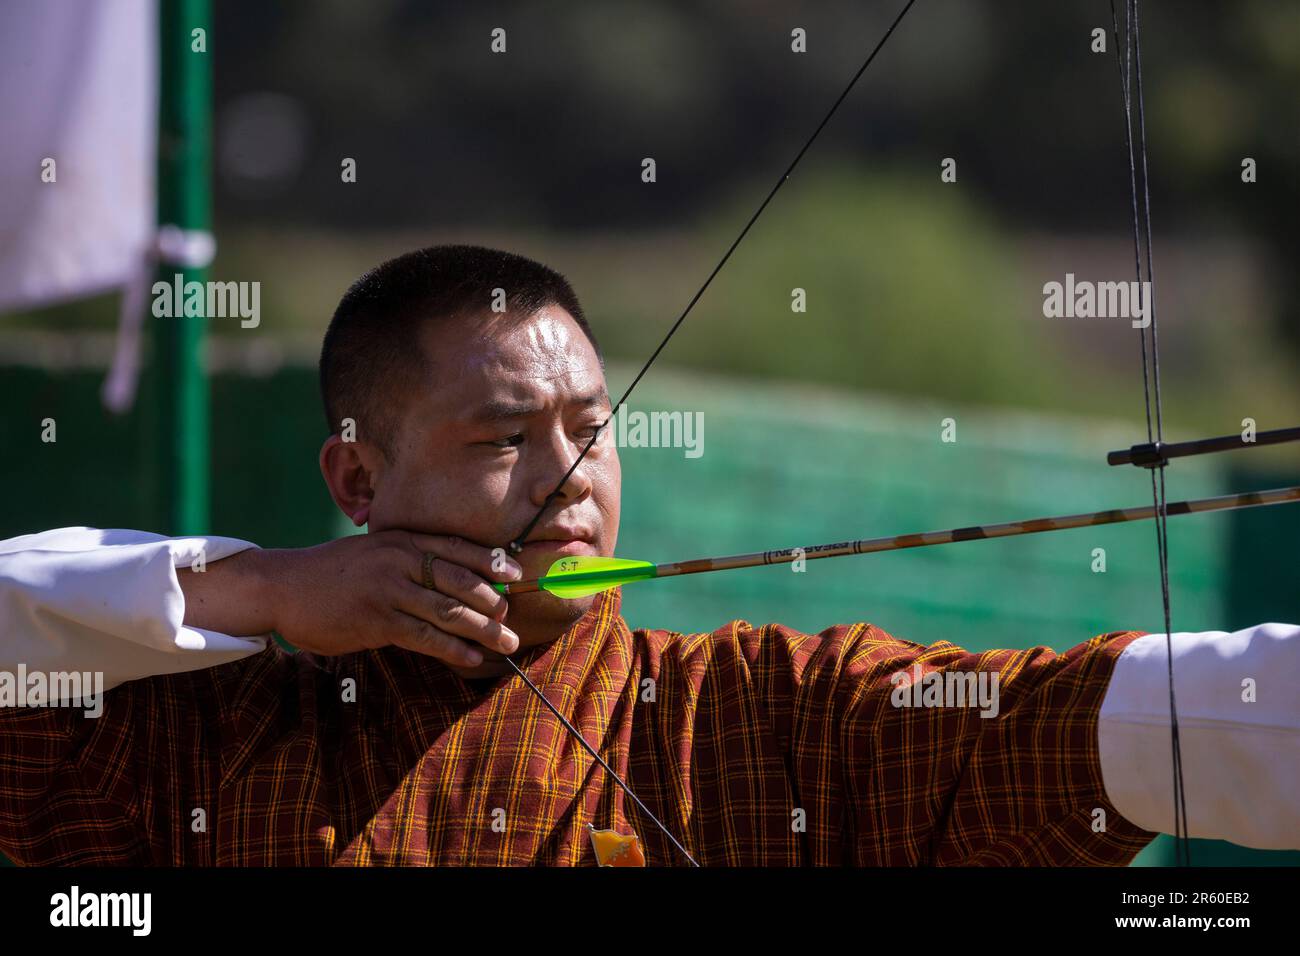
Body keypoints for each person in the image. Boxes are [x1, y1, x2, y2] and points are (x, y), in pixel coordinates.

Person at [1, 245, 1296, 865]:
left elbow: (1082, 723)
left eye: (590, 431)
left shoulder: (759, 719)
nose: (568, 477)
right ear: (356, 477)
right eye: (504, 437)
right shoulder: (193, 743)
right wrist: (258, 589)